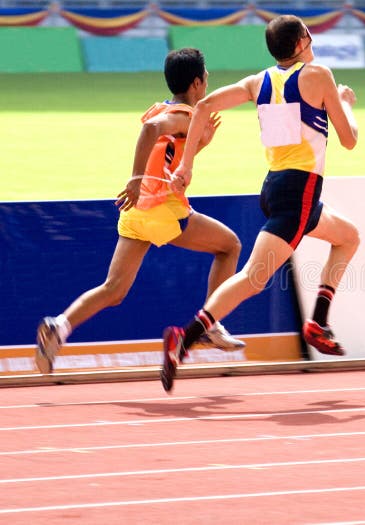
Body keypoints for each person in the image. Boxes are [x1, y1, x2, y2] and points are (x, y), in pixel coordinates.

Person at [159, 15, 360, 392]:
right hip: (298, 193)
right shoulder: (318, 76)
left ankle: (318, 322)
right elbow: (348, 140)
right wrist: (347, 104)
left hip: (277, 190)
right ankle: (184, 340)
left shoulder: (258, 81)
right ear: (304, 40)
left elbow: (202, 108)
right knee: (254, 278)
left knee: (347, 237)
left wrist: (186, 167)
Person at [35, 48, 245, 375]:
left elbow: (167, 153)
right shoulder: (183, 116)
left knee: (113, 289)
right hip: (162, 210)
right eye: (206, 78)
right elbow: (151, 132)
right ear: (196, 83)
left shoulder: (164, 108)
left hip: (137, 213)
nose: (207, 83)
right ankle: (210, 325)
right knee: (229, 246)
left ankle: (58, 327)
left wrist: (199, 145)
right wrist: (135, 178)